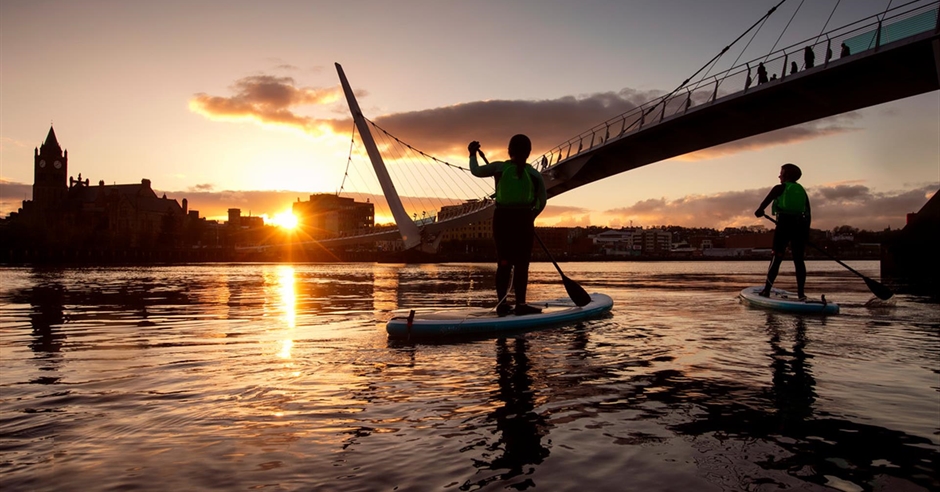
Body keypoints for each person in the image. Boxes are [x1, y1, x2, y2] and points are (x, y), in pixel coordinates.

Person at [469, 135, 547, 316]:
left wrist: (472, 153)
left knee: (503, 263)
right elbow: (542, 201)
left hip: (502, 219)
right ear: (529, 153)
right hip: (524, 220)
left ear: (509, 151)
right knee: (522, 264)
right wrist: (531, 216)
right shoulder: (535, 175)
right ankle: (521, 304)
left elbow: (476, 171)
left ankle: (502, 305)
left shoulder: (499, 168)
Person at [754, 163, 812, 299]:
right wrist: (806, 233)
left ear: (786, 175)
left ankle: (766, 290)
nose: (779, 175)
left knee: (777, 257)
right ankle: (801, 294)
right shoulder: (802, 190)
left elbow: (760, 209)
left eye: (781, 173)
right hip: (800, 226)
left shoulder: (780, 188)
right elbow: (808, 212)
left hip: (784, 225)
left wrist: (759, 212)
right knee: (799, 260)